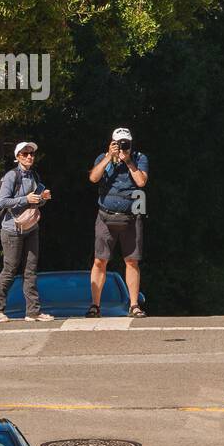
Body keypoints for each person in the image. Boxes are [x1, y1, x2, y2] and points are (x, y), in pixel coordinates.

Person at [88, 127, 149, 318]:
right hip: (105, 215)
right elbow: (93, 178)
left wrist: (128, 161)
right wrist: (109, 157)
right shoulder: (103, 158)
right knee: (100, 260)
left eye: (126, 143)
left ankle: (134, 305)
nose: (123, 147)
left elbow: (141, 182)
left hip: (131, 216)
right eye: (119, 143)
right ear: (112, 143)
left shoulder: (139, 158)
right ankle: (95, 305)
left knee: (132, 261)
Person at [0, 142, 53, 322]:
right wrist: (26, 198)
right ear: (17, 157)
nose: (29, 157)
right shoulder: (11, 176)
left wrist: (42, 199)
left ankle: (33, 312)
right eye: (25, 154)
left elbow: (35, 202)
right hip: (12, 229)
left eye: (31, 153)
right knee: (10, 269)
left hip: (31, 227)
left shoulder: (34, 175)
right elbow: (2, 202)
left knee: (30, 270)